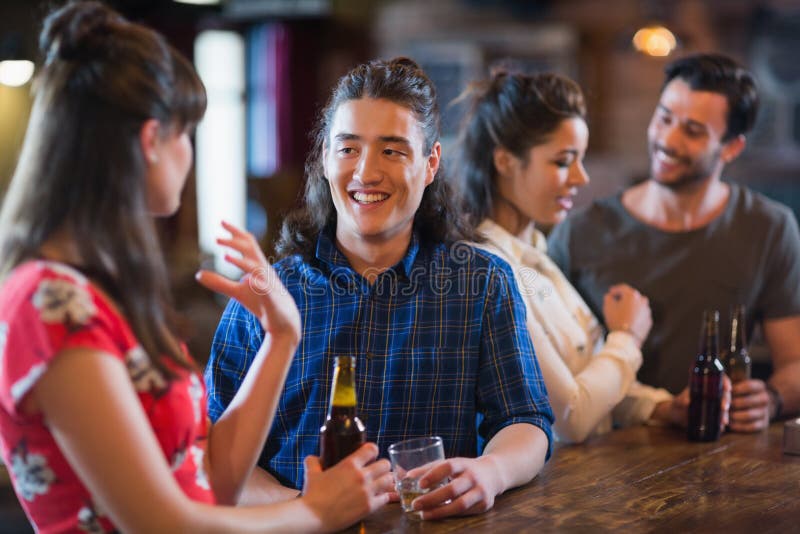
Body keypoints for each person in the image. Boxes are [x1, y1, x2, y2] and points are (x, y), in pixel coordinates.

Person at [0, 3, 393, 532]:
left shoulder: (102, 289)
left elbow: (209, 481)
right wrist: (314, 513)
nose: (190, 152)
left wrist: (282, 336)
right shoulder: (47, 301)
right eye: (187, 134)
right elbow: (163, 522)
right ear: (152, 141)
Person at [205, 57, 554, 520]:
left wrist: (492, 471)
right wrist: (311, 508)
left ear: (430, 164)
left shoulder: (482, 283)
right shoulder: (267, 296)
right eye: (348, 149)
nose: (366, 172)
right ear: (325, 158)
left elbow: (525, 420)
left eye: (392, 151)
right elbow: (211, 455)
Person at [548, 53, 800, 432]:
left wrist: (773, 398)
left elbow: (794, 362)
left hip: (717, 451)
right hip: (600, 456)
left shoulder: (769, 227)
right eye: (664, 117)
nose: (667, 139)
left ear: (731, 148)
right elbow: (548, 372)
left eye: (693, 130)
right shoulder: (580, 231)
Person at [451, 70, 698, 443]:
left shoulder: (536, 255)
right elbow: (569, 416)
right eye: (564, 161)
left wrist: (658, 407)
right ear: (504, 160)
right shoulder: (488, 267)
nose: (581, 178)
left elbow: (586, 379)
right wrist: (627, 337)